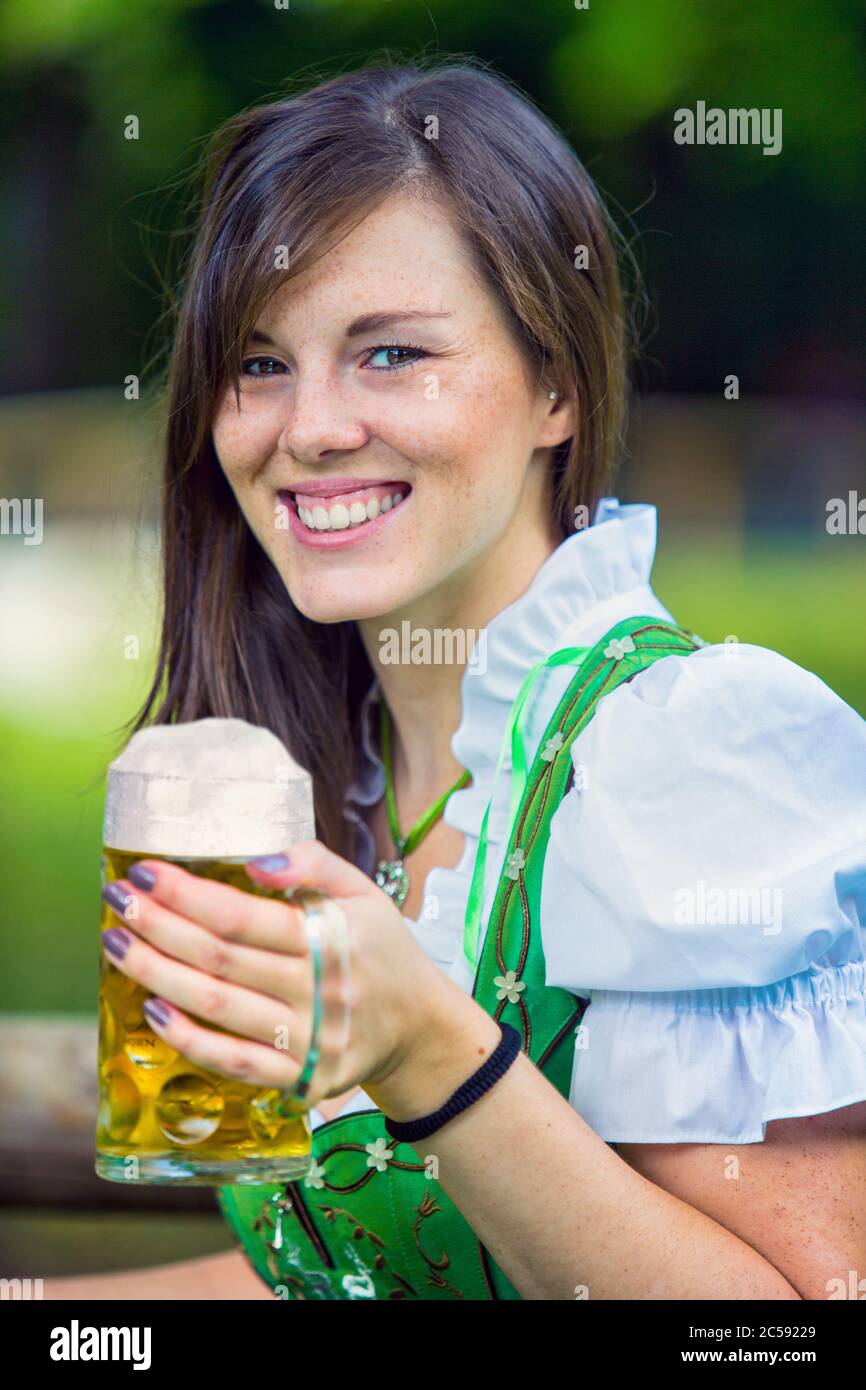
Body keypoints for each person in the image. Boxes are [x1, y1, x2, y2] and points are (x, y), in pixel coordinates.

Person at [49, 57, 866, 1301]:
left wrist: (432, 1052)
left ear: (554, 385)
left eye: (389, 355)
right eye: (260, 363)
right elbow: (347, 1277)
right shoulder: (317, 763)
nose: (310, 427)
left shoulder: (694, 755)